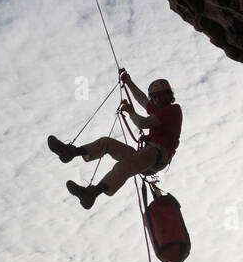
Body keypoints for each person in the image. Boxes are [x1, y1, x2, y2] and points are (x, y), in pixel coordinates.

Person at [47, 71, 183, 209]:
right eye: (155, 97)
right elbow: (142, 99)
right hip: (147, 156)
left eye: (161, 95)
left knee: (123, 166)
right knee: (106, 143)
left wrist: (131, 111)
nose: (157, 99)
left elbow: (142, 123)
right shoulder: (158, 109)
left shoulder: (173, 110)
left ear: (169, 96)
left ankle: (92, 193)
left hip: (157, 156)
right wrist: (128, 82)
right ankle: (70, 152)